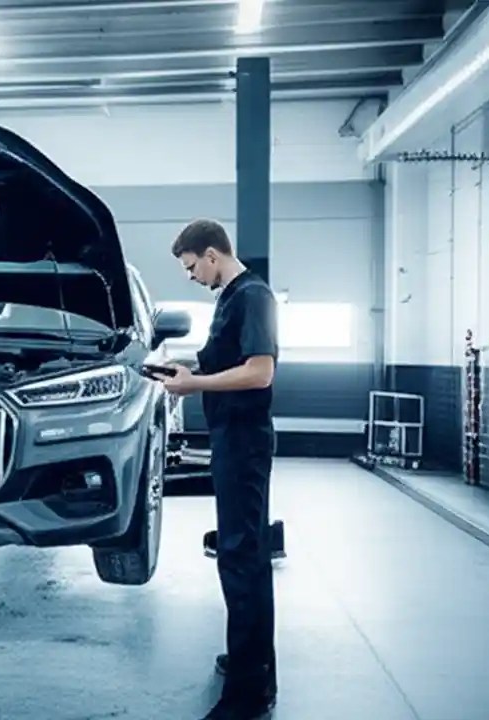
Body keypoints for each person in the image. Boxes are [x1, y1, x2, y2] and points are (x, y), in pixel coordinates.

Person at [161, 219, 278, 720]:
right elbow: (228, 361)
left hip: (245, 442)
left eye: (191, 267)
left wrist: (195, 386)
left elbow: (260, 371)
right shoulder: (229, 297)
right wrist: (186, 373)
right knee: (243, 551)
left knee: (239, 556)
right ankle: (254, 663)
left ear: (211, 254)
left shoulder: (253, 296)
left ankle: (248, 694)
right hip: (232, 438)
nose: (190, 277)